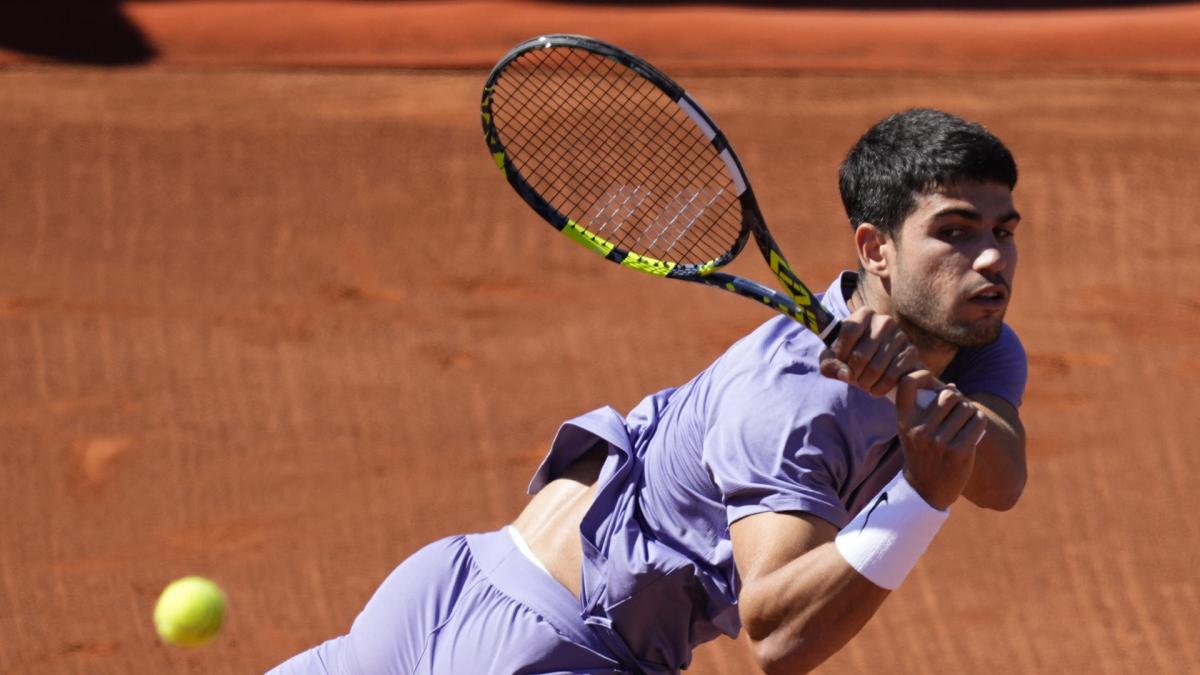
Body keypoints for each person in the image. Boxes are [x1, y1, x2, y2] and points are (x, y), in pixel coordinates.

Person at [269, 108, 1027, 675]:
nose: (992, 257)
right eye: (956, 231)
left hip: (448, 584)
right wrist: (920, 500)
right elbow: (778, 635)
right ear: (876, 249)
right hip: (557, 651)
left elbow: (1000, 477)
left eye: (1005, 229)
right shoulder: (797, 400)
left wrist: (917, 391)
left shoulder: (975, 344)